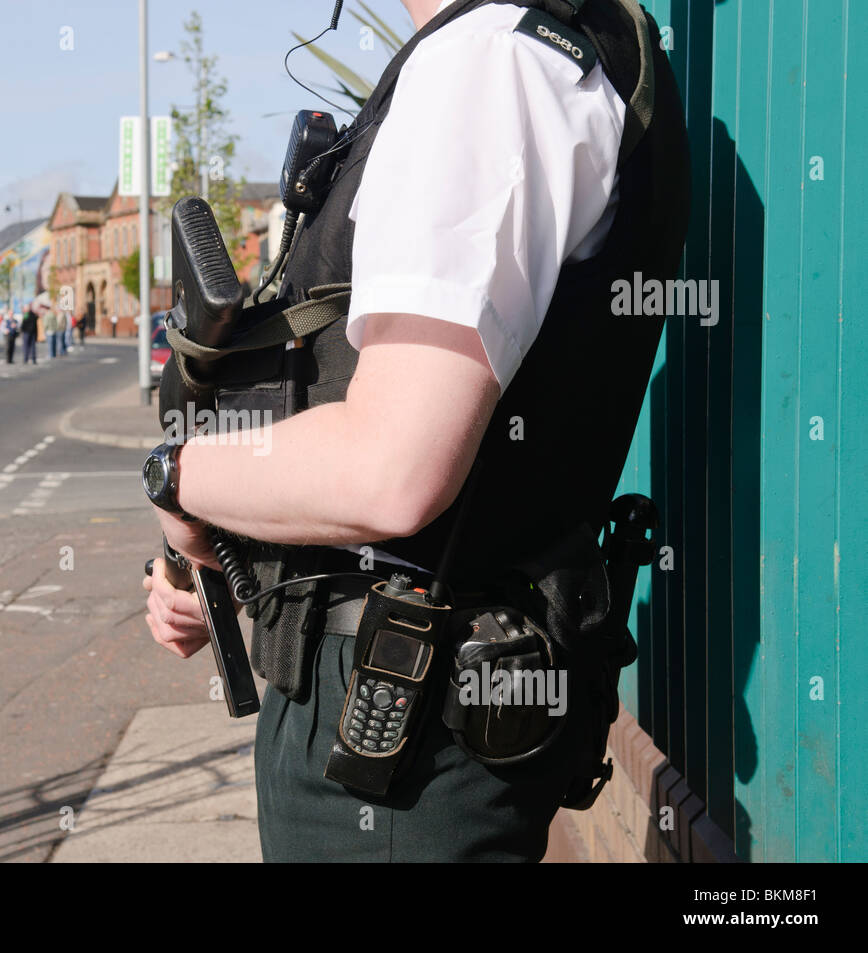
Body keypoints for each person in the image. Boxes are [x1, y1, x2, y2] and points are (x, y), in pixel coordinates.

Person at [142, 0, 690, 863]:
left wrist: (177, 478)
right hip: (405, 708)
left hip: (399, 743)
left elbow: (391, 465)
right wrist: (217, 537)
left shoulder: (489, 68)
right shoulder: (532, 52)